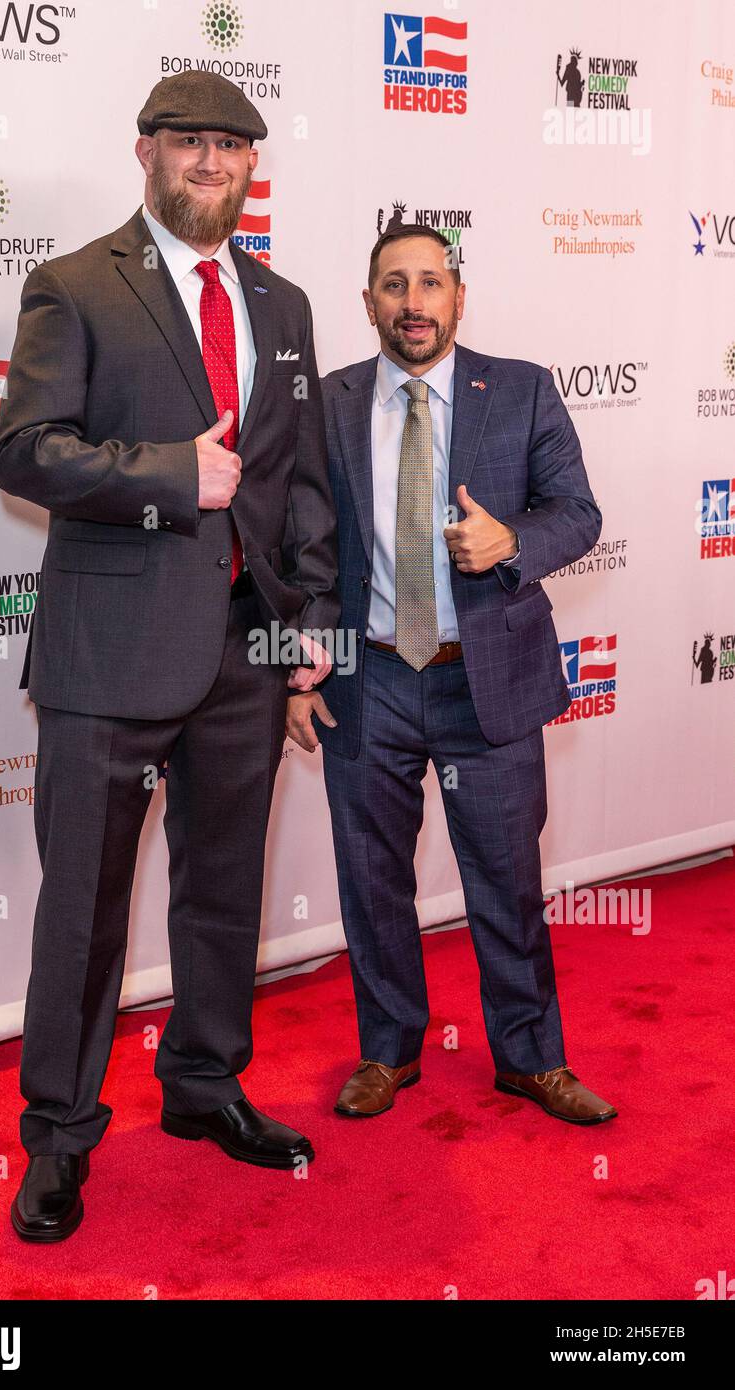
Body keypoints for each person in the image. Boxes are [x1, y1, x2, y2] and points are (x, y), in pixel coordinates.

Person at [0, 71, 338, 1242]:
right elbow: (27, 451)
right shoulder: (77, 284)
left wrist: (306, 634)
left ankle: (201, 1082)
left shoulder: (283, 305)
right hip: (107, 655)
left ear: (252, 166)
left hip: (245, 652)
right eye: (190, 143)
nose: (211, 164)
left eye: (232, 149)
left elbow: (297, 488)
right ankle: (56, 1136)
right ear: (145, 150)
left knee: (222, 888)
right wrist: (163, 474)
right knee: (81, 911)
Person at [286, 224, 617, 1126]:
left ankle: (530, 1059)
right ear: (369, 306)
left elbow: (578, 513)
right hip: (371, 680)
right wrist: (303, 671)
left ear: (459, 296)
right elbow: (306, 553)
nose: (414, 302)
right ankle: (389, 1053)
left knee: (507, 877)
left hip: (489, 681)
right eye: (393, 285)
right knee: (372, 877)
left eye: (431, 282)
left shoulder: (520, 389)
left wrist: (513, 543)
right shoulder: (332, 402)